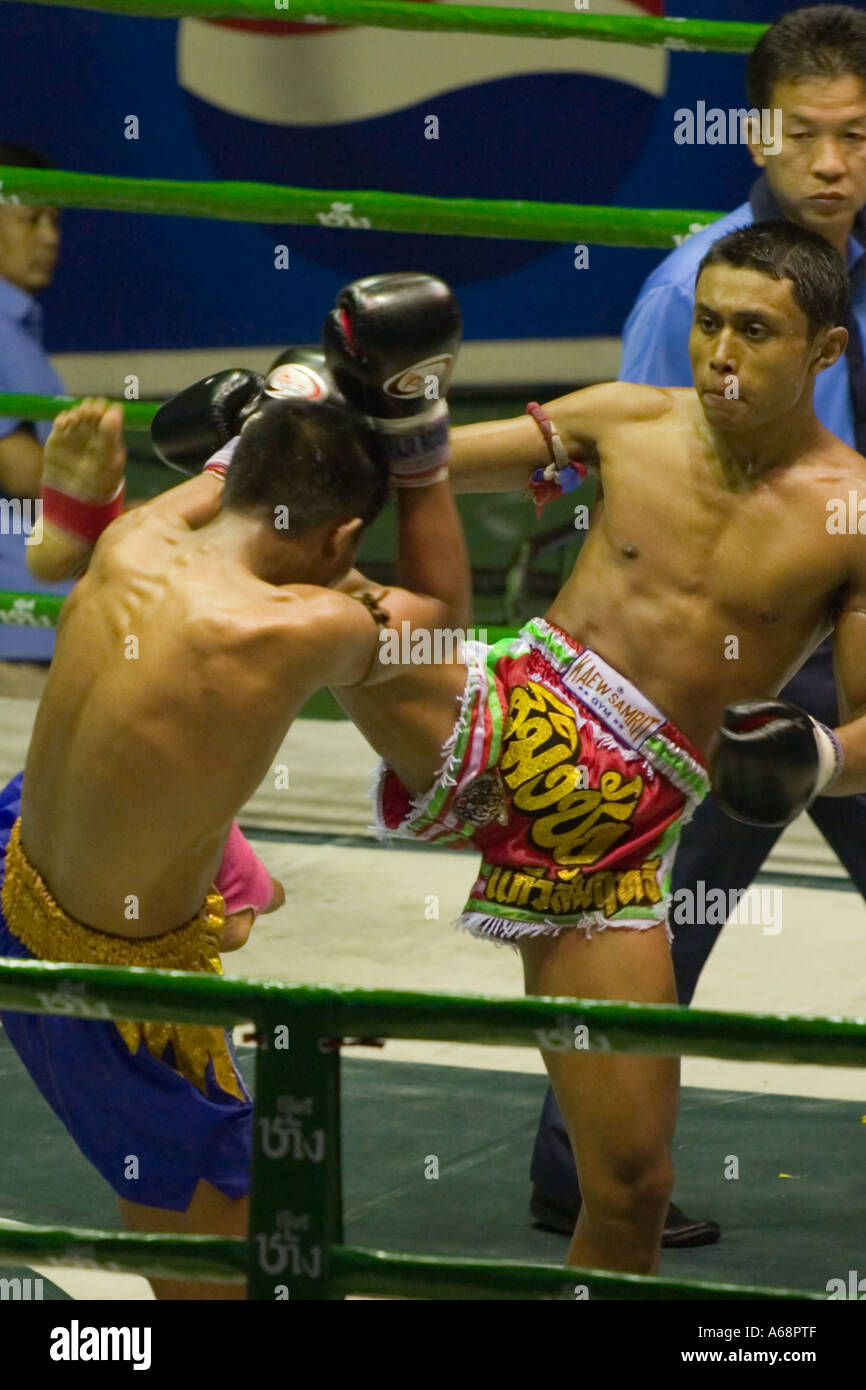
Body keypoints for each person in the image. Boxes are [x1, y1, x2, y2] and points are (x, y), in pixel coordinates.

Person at [325, 221, 866, 1275]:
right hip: (498, 716)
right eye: (708, 322)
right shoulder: (625, 419)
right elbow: (412, 464)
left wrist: (818, 758)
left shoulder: (849, 514)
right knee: (328, 610)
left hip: (612, 838)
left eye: (753, 331)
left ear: (824, 353)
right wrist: (376, 399)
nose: (718, 352)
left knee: (628, 1183)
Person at [0, 271, 468, 1300]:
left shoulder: (138, 537)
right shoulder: (282, 631)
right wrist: (417, 432)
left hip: (24, 867)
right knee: (233, 1255)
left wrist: (294, 395)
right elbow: (441, 621)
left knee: (184, 1209)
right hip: (115, 982)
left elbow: (236, 470)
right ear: (342, 543)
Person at [530, 1, 866, 1246]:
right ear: (755, 140)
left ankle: (580, 1165)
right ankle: (588, 1164)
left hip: (822, 641)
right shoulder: (697, 292)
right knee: (668, 906)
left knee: (682, 908)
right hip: (707, 673)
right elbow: (628, 486)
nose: (832, 164)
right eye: (805, 137)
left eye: (857, 137)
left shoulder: (843, 270)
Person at [0, 142, 73, 677]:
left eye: (54, 219)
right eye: (31, 219)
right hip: (17, 638)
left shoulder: (19, 331)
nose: (49, 237)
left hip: (36, 630)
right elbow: (24, 473)